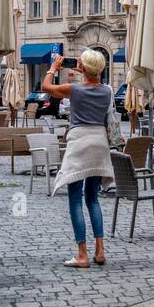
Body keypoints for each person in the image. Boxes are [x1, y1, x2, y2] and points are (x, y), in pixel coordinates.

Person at [44, 50, 114, 268]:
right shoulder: (108, 91)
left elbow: (47, 87)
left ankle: (82, 255)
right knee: (92, 199)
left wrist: (53, 68)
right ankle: (100, 251)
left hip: (80, 143)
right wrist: (85, 68)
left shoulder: (73, 90)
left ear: (83, 68)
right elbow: (94, 81)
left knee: (75, 199)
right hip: (99, 143)